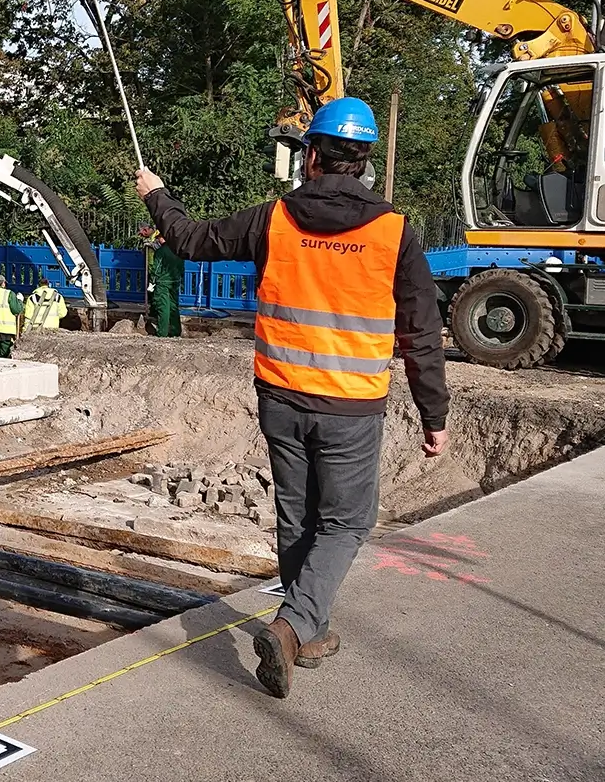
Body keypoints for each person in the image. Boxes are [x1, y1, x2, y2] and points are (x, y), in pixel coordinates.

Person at [136, 97, 450, 699]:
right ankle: (291, 627)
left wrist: (157, 194)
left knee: (297, 514)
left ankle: (311, 630)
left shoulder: (273, 219)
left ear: (311, 156)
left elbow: (191, 239)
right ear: (363, 162)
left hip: (280, 395)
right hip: (350, 407)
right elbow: (422, 334)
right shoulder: (394, 233)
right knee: (346, 521)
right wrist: (433, 416)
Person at [141, 225, 183, 338]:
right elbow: (182, 267)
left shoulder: (161, 251)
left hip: (162, 282)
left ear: (163, 238)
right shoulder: (178, 251)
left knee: (163, 307)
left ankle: (162, 333)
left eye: (159, 237)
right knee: (174, 306)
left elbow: (157, 267)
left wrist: (152, 281)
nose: (158, 240)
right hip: (175, 281)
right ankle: (176, 330)